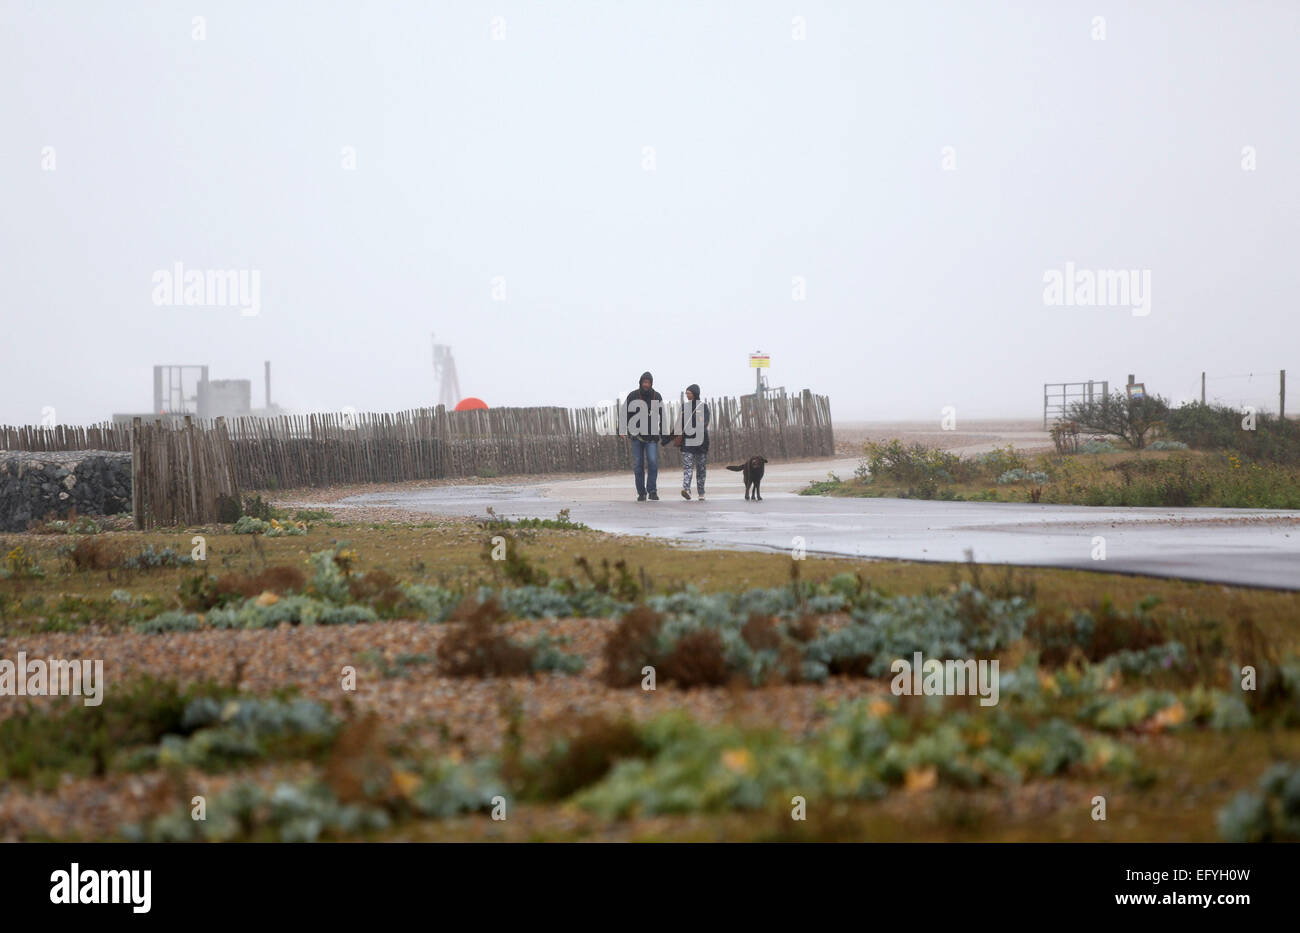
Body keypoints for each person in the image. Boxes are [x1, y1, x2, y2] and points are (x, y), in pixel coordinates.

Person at [622, 371, 664, 501]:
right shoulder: (633, 396)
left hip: (651, 437)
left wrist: (664, 432)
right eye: (644, 382)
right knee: (638, 464)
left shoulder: (657, 396)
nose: (646, 384)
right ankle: (641, 492)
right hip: (636, 436)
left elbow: (663, 416)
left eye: (648, 382)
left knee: (652, 461)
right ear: (640, 382)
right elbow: (624, 413)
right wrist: (622, 429)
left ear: (651, 383)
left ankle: (652, 491)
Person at [676, 383, 710, 500]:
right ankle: (686, 489)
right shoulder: (684, 407)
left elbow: (705, 422)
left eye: (689, 393)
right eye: (686, 393)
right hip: (687, 442)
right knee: (688, 467)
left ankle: (701, 492)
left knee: (701, 469)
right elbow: (679, 423)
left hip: (701, 442)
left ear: (695, 394)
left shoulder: (703, 407)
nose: (687, 395)